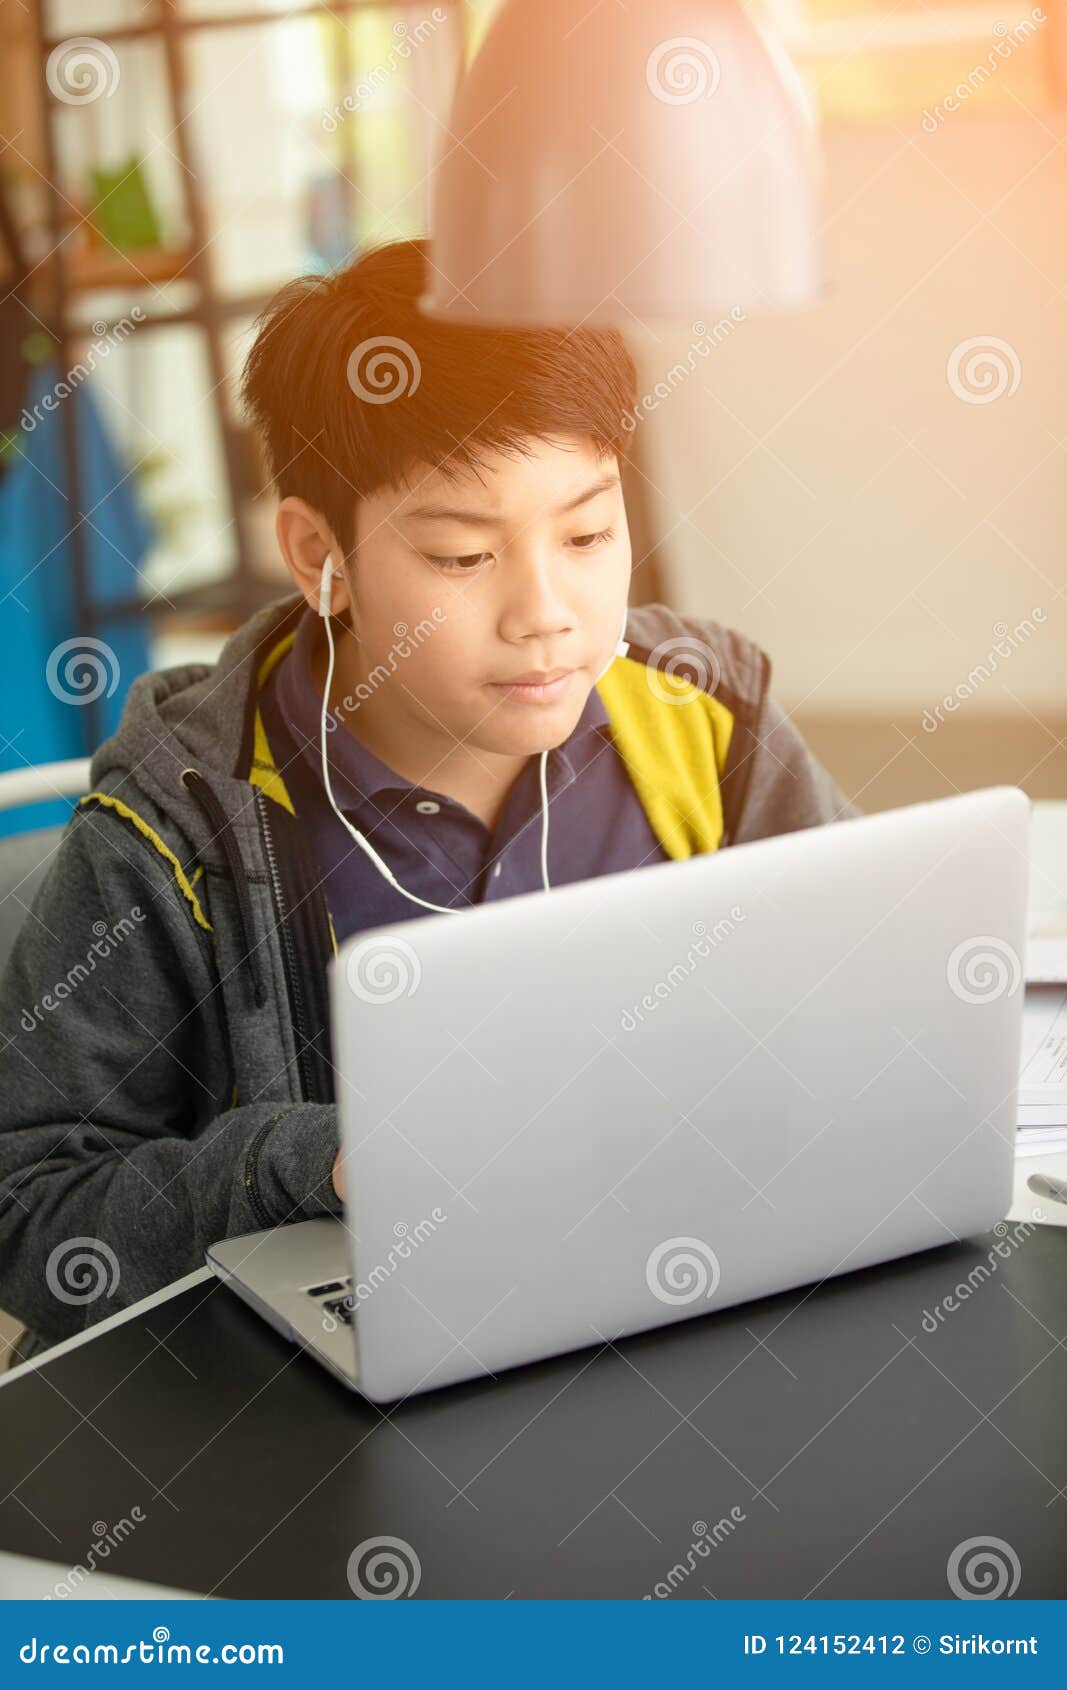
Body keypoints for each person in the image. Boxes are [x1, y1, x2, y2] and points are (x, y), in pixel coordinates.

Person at [0, 239, 859, 1360]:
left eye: (589, 533)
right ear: (322, 555)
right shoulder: (174, 830)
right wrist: (312, 1163)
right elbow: (31, 1208)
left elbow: (859, 996)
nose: (546, 611)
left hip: (677, 1305)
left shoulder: (708, 720)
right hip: (308, 1417)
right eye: (463, 557)